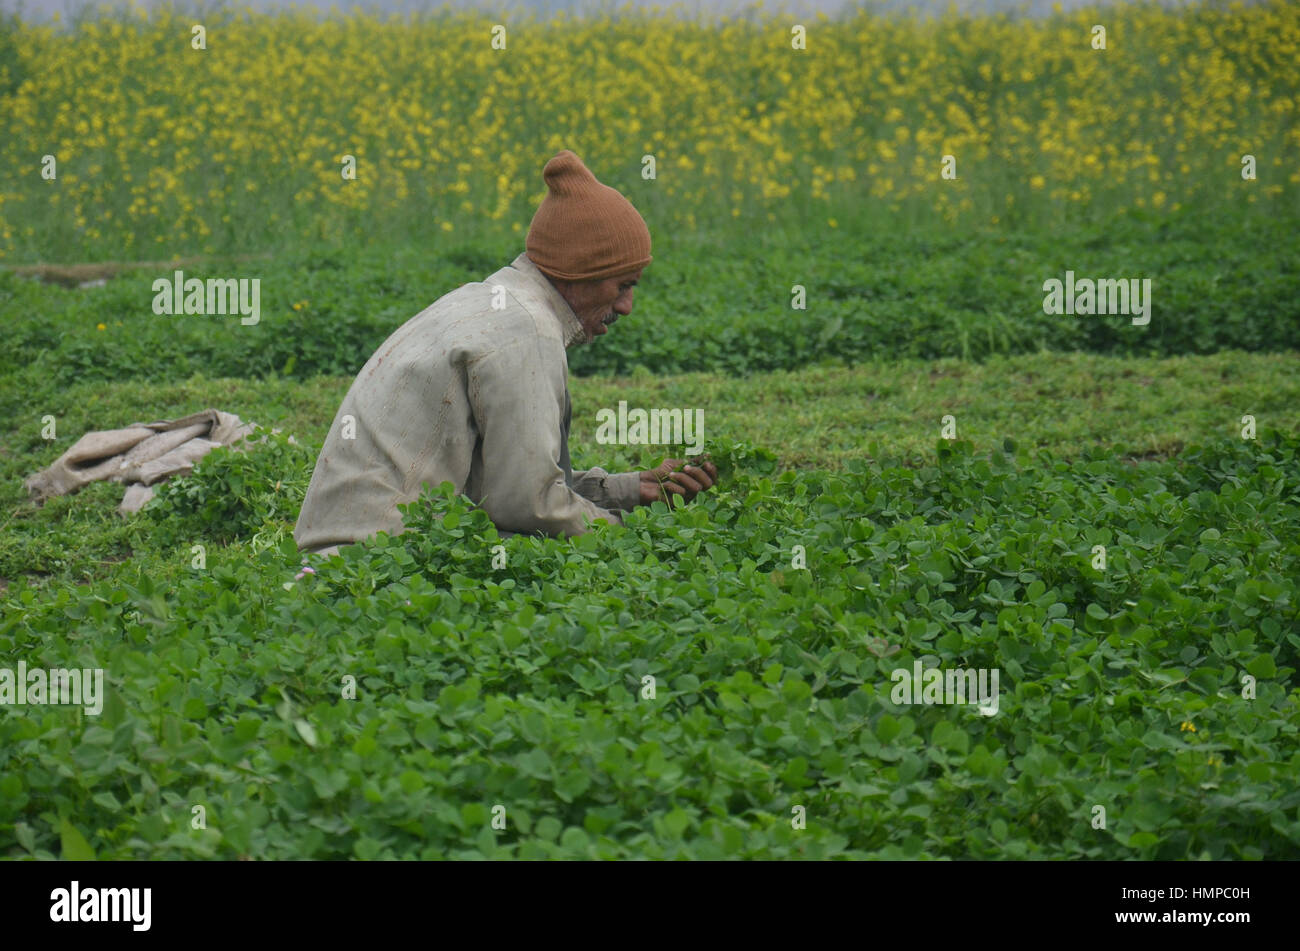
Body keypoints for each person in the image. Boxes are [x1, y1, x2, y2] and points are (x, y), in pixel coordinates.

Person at [294, 149, 719, 557]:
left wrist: (626, 491)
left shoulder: (498, 303)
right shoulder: (526, 332)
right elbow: (527, 503)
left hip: (349, 550)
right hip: (370, 563)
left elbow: (500, 483)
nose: (626, 306)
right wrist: (635, 538)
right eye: (622, 285)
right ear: (582, 271)